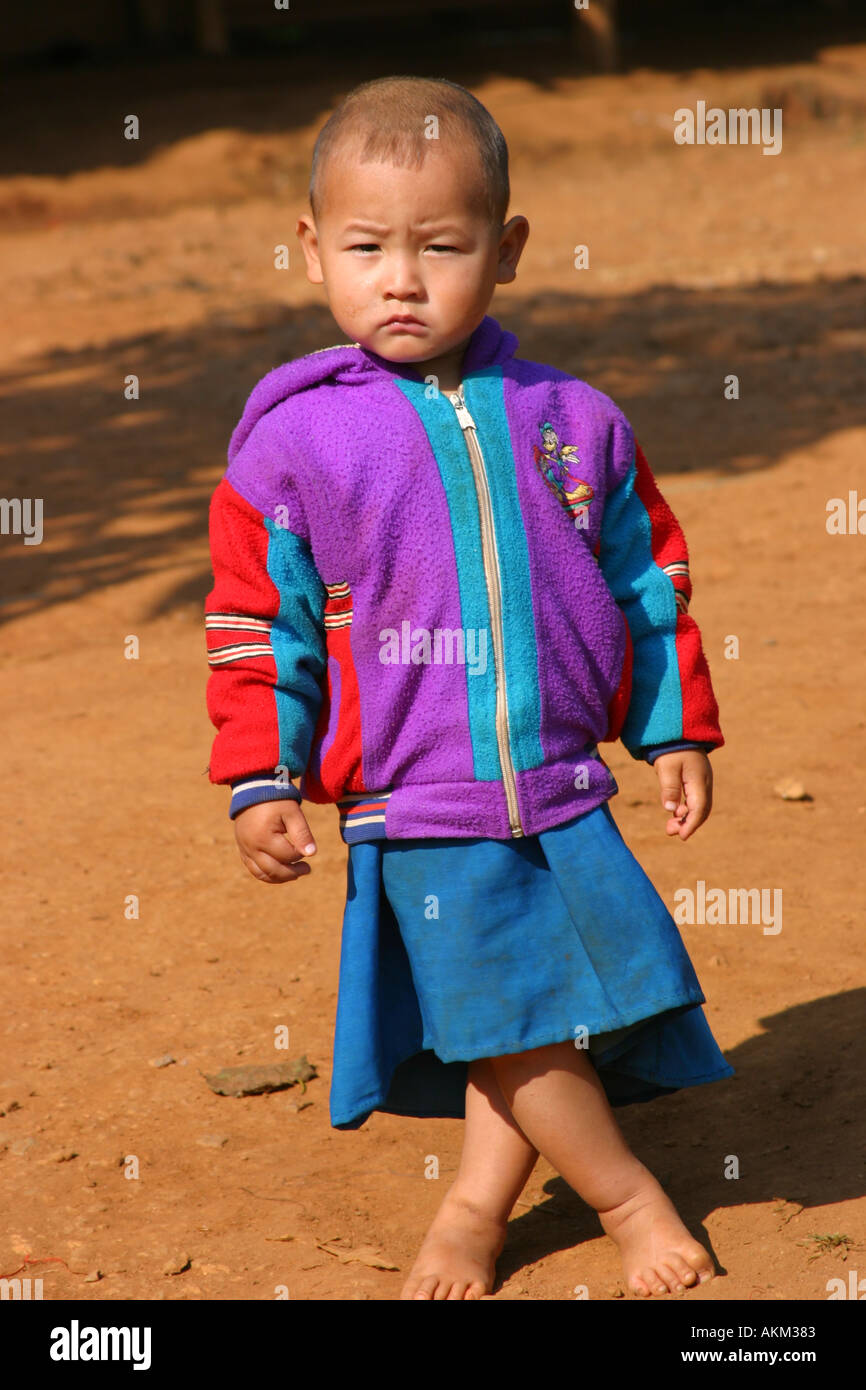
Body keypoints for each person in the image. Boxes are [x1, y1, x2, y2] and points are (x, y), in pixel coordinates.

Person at [204, 74, 733, 1301]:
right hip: (418, 795)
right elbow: (251, 624)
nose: (401, 277)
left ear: (505, 251)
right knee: (511, 1011)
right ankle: (626, 1194)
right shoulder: (294, 445)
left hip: (555, 782)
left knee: (523, 1006)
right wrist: (257, 772)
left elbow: (646, 582)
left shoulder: (572, 419)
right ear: (308, 246)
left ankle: (470, 1211)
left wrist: (671, 731)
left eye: (439, 247)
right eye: (364, 247)